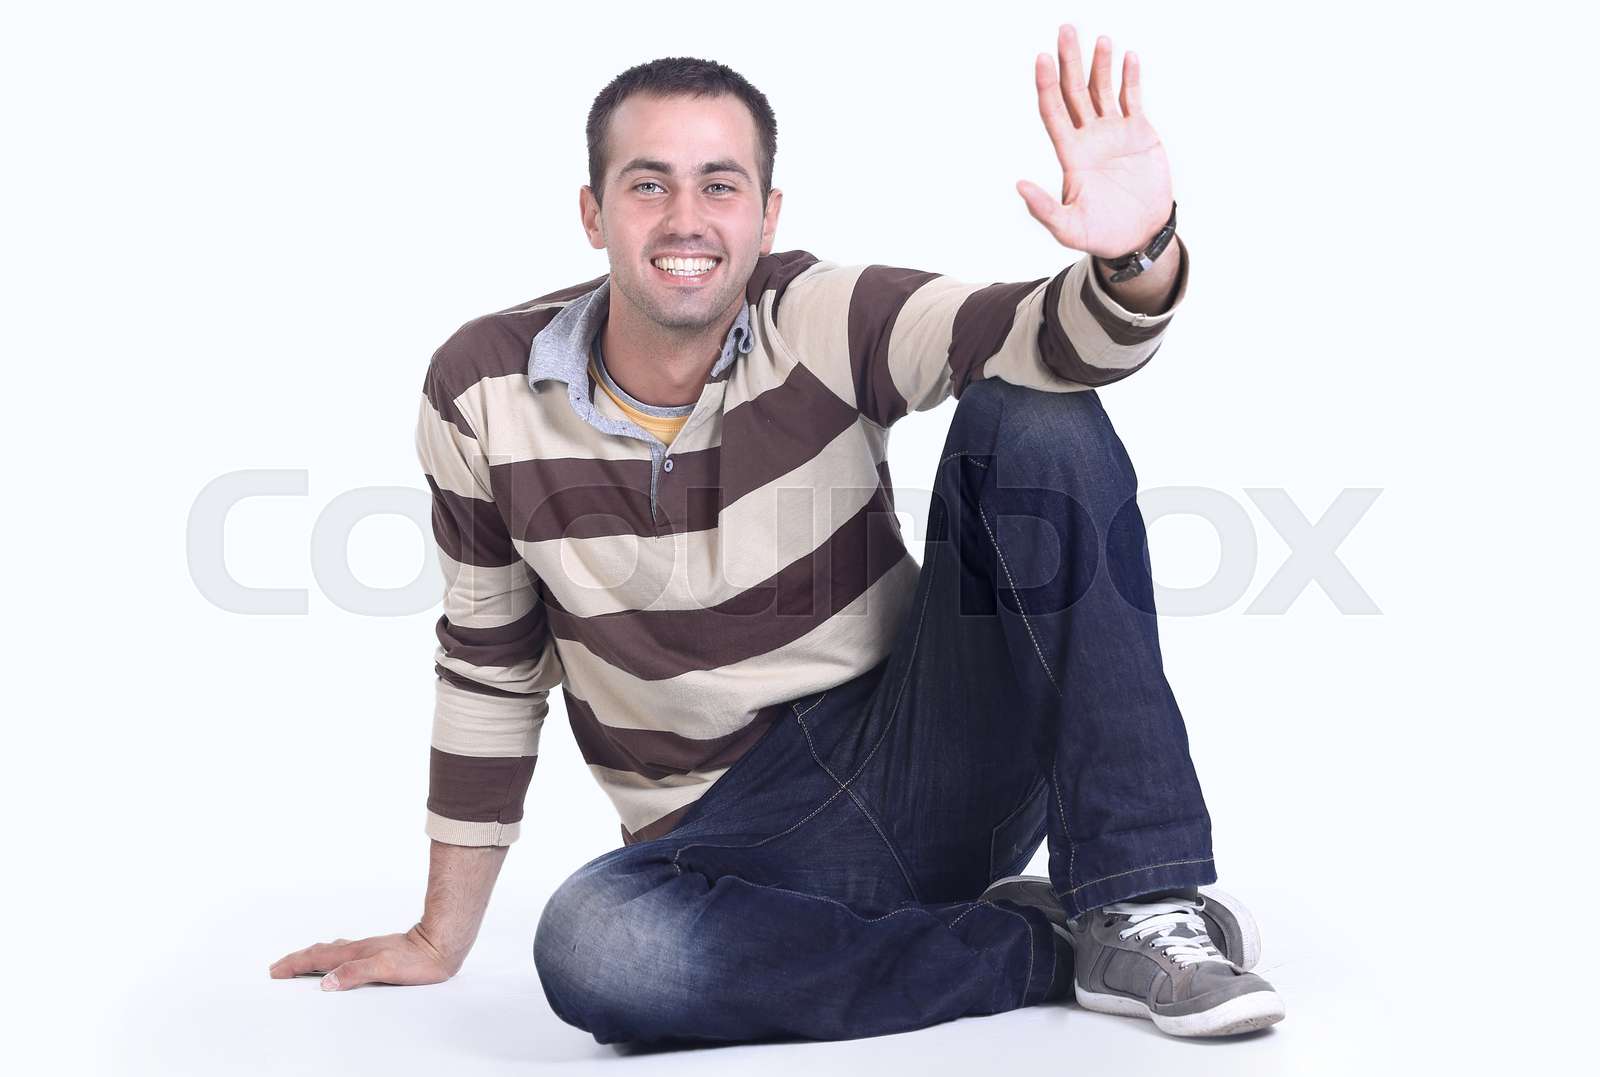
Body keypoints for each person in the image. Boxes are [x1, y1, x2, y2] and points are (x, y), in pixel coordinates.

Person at [269, 24, 1286, 1044]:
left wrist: (1136, 255)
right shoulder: (481, 390)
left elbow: (1040, 337)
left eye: (720, 185)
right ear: (592, 213)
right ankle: (1048, 948)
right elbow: (491, 665)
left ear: (766, 216)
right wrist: (440, 934)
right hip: (729, 838)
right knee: (596, 941)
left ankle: (1142, 897)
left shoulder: (819, 314)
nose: (686, 218)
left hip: (924, 752)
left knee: (1032, 409)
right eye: (648, 184)